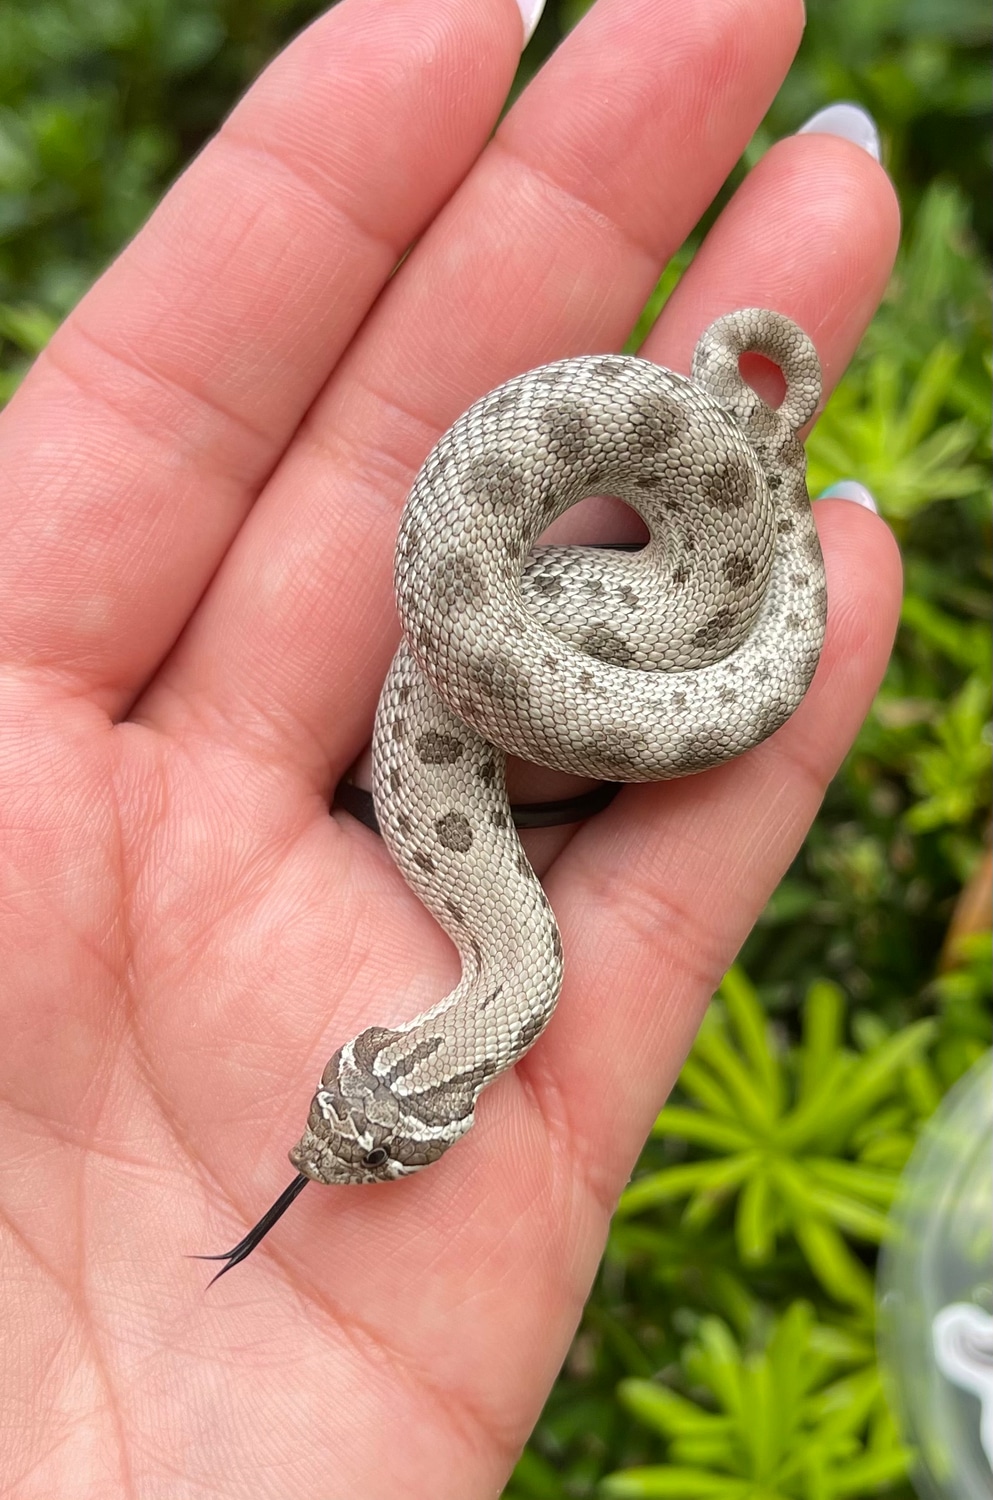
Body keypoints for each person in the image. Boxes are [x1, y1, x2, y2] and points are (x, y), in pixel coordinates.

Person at [0, 0, 901, 1494]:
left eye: (343, 1111)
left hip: (612, 583)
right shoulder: (516, 971)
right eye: (363, 1129)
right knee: (638, 623)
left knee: (631, 620)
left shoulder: (508, 956)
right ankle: (738, 539)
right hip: (618, 599)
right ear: (436, 1089)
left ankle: (737, 535)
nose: (326, 1142)